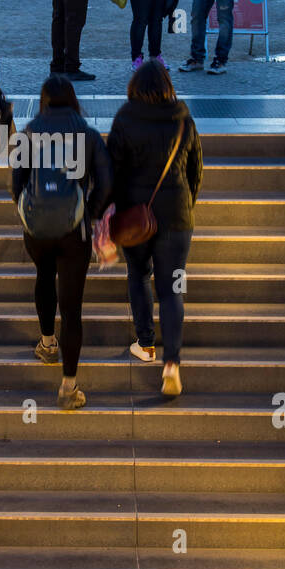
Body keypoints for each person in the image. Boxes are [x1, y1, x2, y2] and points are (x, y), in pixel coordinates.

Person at [11, 75, 111, 410]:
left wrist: (30, 212)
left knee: (43, 276)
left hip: (37, 229)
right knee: (72, 308)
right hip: (74, 230)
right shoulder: (88, 134)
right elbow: (107, 182)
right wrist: (89, 211)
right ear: (72, 99)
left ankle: (47, 343)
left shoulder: (29, 131)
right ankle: (68, 387)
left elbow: (16, 183)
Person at [107, 61, 203, 398]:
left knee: (138, 274)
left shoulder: (125, 118)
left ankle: (145, 344)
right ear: (167, 85)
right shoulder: (182, 117)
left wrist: (110, 208)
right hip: (177, 217)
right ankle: (172, 364)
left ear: (135, 86)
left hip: (137, 218)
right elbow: (195, 170)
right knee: (173, 288)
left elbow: (111, 171)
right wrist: (185, 203)